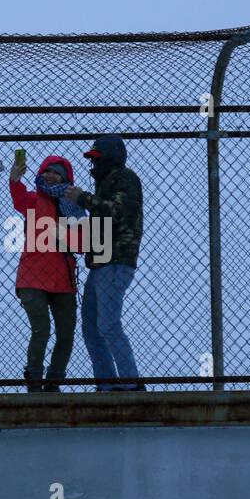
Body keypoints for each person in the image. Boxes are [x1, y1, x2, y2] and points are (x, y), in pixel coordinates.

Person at [64, 135, 145, 391]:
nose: (92, 164)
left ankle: (132, 386)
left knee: (108, 324)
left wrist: (83, 199)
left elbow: (117, 210)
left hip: (116, 261)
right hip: (100, 262)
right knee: (91, 327)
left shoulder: (125, 178)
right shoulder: (106, 182)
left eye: (97, 159)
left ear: (110, 158)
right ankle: (107, 385)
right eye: (91, 159)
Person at [8, 154, 85, 392]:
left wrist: (59, 235)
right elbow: (19, 199)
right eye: (47, 172)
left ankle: (54, 382)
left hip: (63, 279)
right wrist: (14, 181)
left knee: (66, 333)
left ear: (66, 179)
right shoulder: (34, 200)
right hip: (33, 277)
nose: (50, 176)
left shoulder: (74, 208)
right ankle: (34, 379)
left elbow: (82, 243)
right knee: (41, 328)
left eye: (56, 173)